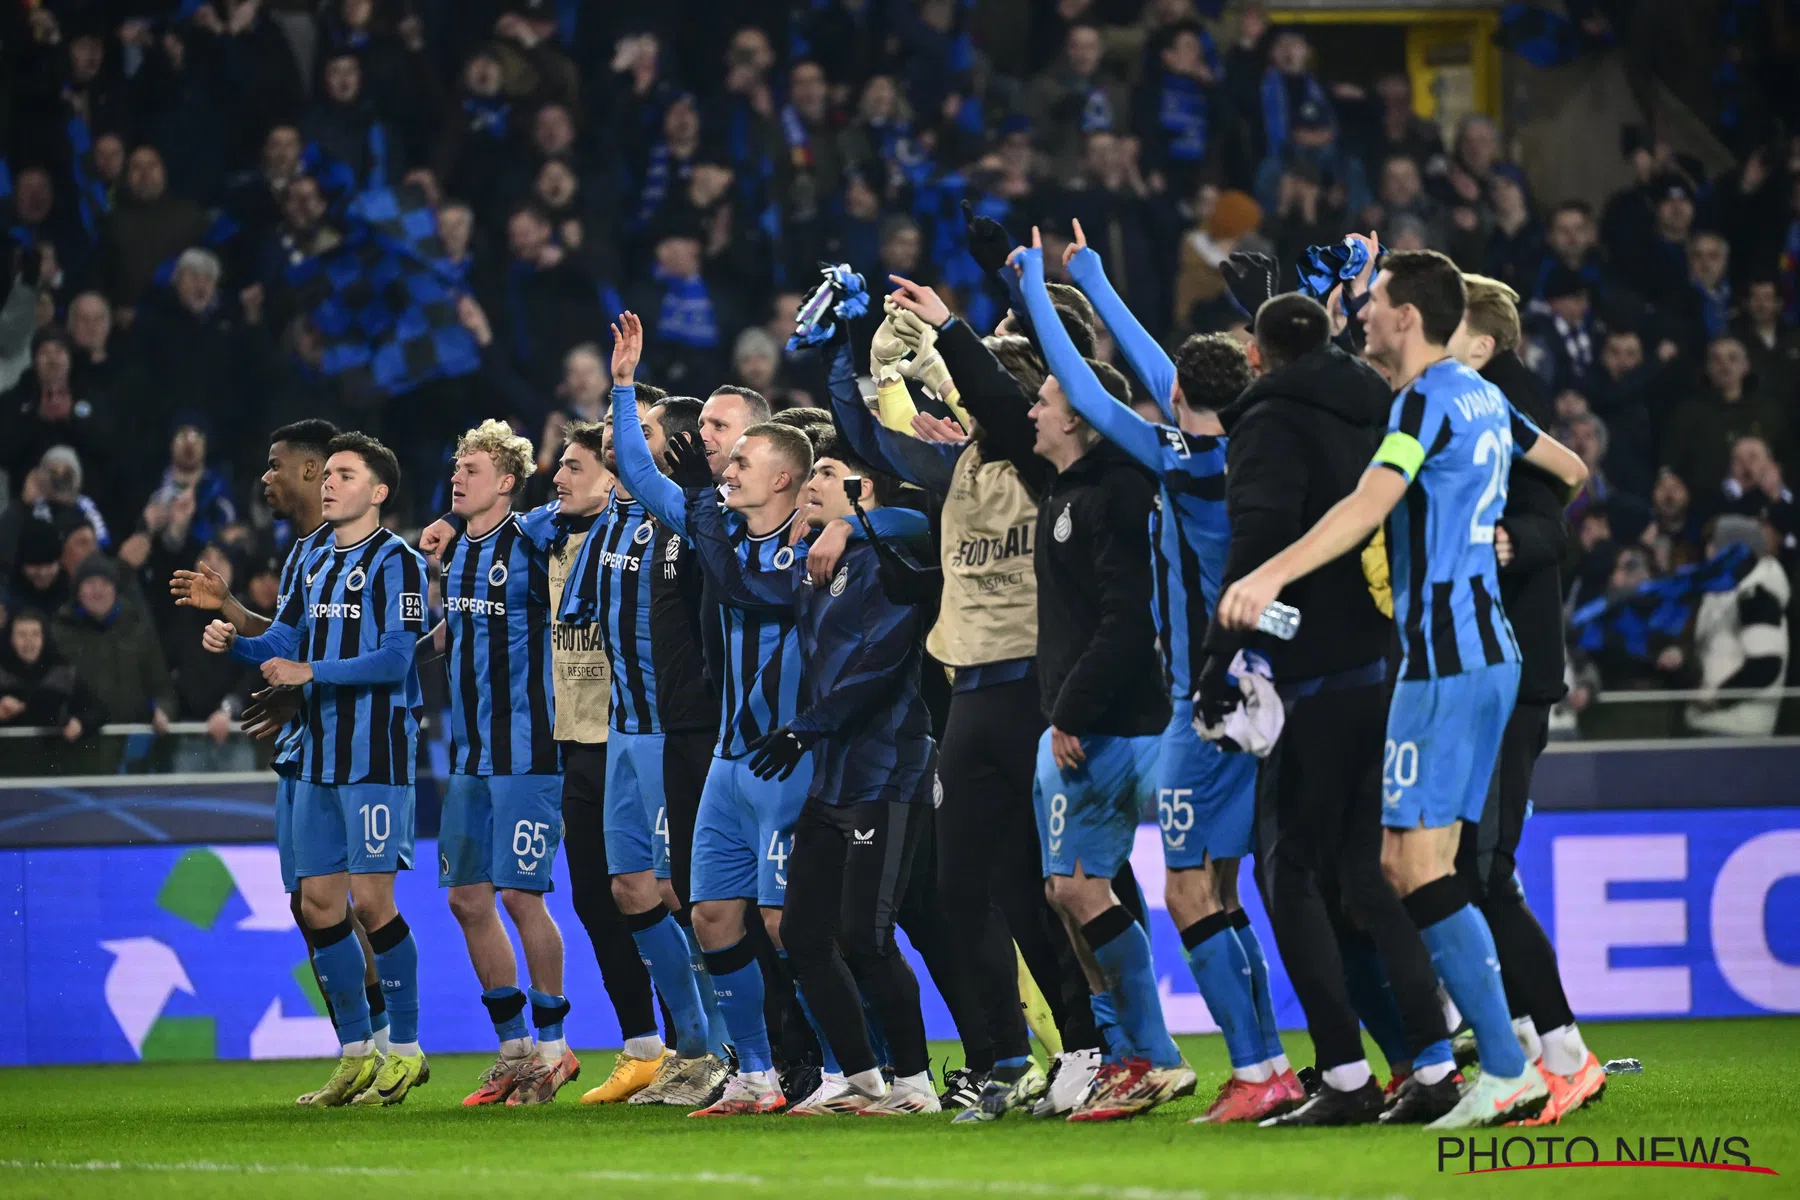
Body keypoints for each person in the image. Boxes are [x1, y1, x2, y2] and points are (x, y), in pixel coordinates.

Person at [1218, 249, 1589, 1129]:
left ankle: (1504, 1064)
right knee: (1416, 862)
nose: (1365, 316)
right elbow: (1570, 470)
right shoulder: (1483, 394)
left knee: (1413, 864)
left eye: (1376, 304)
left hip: (1444, 660)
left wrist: (1268, 575)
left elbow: (1366, 505)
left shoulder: (1423, 399)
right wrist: (1485, 527)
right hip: (1492, 652)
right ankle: (1514, 1060)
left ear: (1409, 317)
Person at [599, 311, 923, 1115]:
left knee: (789, 926)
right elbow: (643, 480)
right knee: (711, 914)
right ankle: (756, 1074)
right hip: (727, 762)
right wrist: (622, 386)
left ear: (785, 478)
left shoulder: (822, 540)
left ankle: (863, 1070)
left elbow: (919, 519)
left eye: (741, 458)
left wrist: (852, 518)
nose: (723, 467)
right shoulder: (716, 527)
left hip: (797, 758)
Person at [1040, 223, 1296, 1123]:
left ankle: (1260, 1067)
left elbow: (1090, 387)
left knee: (1189, 890)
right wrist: (1098, 277)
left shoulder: (1182, 466)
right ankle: (1274, 1067)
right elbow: (1157, 371)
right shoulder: (1255, 440)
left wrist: (1044, 286)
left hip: (1211, 702)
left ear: (1182, 396)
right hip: (1268, 683)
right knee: (1223, 891)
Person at [677, 426, 940, 1115]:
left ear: (863, 490)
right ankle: (859, 1078)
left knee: (865, 936)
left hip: (884, 768)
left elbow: (878, 670)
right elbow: (735, 581)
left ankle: (914, 1081)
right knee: (800, 932)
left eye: (827, 473)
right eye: (815, 471)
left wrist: (803, 728)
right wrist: (702, 500)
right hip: (828, 770)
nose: (814, 484)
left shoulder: (892, 559)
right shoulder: (806, 570)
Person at [1001, 238, 1192, 1122]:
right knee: (1066, 890)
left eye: (1044, 400)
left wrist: (1069, 709)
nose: (1035, 414)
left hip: (1111, 721)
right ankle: (1123, 1052)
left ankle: (1149, 1056)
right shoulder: (1066, 495)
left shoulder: (1115, 495)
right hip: (1076, 718)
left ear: (1080, 415)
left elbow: (1127, 623)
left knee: (1083, 887)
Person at [203, 433, 430, 1107]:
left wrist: (311, 672)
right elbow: (287, 639)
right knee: (318, 905)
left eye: (345, 474)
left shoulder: (398, 563)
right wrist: (237, 640)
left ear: (378, 492)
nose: (328, 483)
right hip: (318, 754)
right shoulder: (308, 556)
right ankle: (357, 1053)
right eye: (326, 473)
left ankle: (407, 1050)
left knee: (371, 902)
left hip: (375, 756)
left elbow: (397, 659)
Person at [1448, 275, 1608, 1125]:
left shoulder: (1499, 402)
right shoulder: (1455, 399)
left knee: (1482, 869)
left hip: (1507, 674)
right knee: (1459, 867)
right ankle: (1512, 1038)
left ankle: (1558, 1050)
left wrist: (1509, 541)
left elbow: (1557, 513)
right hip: (1468, 671)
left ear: (1481, 342)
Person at [549, 393, 732, 1108]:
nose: (628, 443)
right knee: (630, 889)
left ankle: (721, 1049)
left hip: (674, 731)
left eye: (643, 431)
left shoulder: (691, 519)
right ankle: (686, 1049)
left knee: (680, 891)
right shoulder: (614, 525)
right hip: (620, 727)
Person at [433, 420, 579, 1105]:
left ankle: (555, 1049)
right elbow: (451, 633)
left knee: (522, 894)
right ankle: (515, 1049)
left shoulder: (532, 535)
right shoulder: (454, 552)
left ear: (507, 482)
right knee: (467, 898)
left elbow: (580, 505)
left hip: (529, 750)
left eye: (472, 468)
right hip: (467, 755)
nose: (458, 477)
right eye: (456, 467)